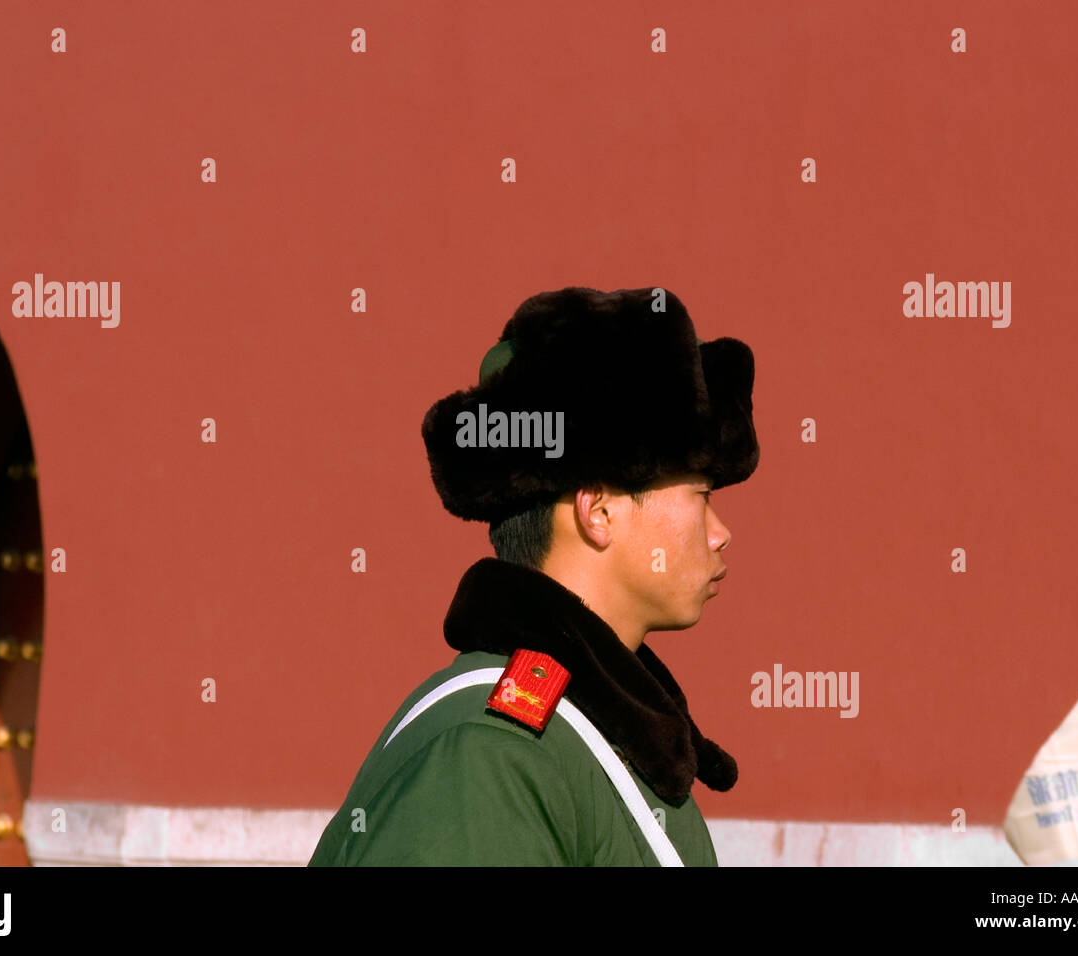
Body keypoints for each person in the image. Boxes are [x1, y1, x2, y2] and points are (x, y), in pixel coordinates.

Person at [308, 285, 760, 866]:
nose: (720, 532)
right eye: (701, 495)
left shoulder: (591, 739)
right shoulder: (494, 755)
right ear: (597, 512)